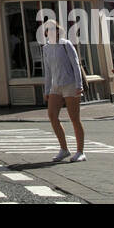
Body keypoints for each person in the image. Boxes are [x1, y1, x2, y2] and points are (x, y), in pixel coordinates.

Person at [40, 17, 87, 162]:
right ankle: (64, 149)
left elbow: (76, 64)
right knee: (52, 115)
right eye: (48, 29)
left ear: (58, 31)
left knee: (74, 118)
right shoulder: (46, 48)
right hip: (56, 86)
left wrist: (79, 85)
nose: (51, 32)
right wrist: (47, 90)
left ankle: (80, 151)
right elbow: (47, 70)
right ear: (46, 32)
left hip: (70, 84)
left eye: (53, 29)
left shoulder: (65, 44)